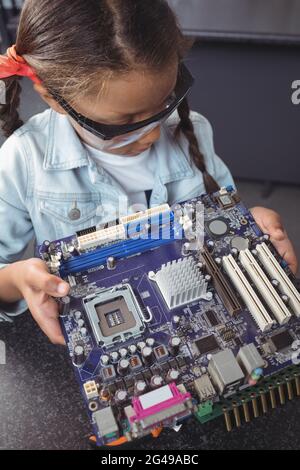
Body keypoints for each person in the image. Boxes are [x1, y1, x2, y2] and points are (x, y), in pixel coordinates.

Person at [0, 0, 297, 344]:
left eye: (164, 103)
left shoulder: (193, 130)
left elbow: (224, 221)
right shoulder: (22, 161)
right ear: (53, 98)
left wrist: (253, 227)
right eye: (124, 123)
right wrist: (16, 279)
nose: (154, 134)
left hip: (198, 324)